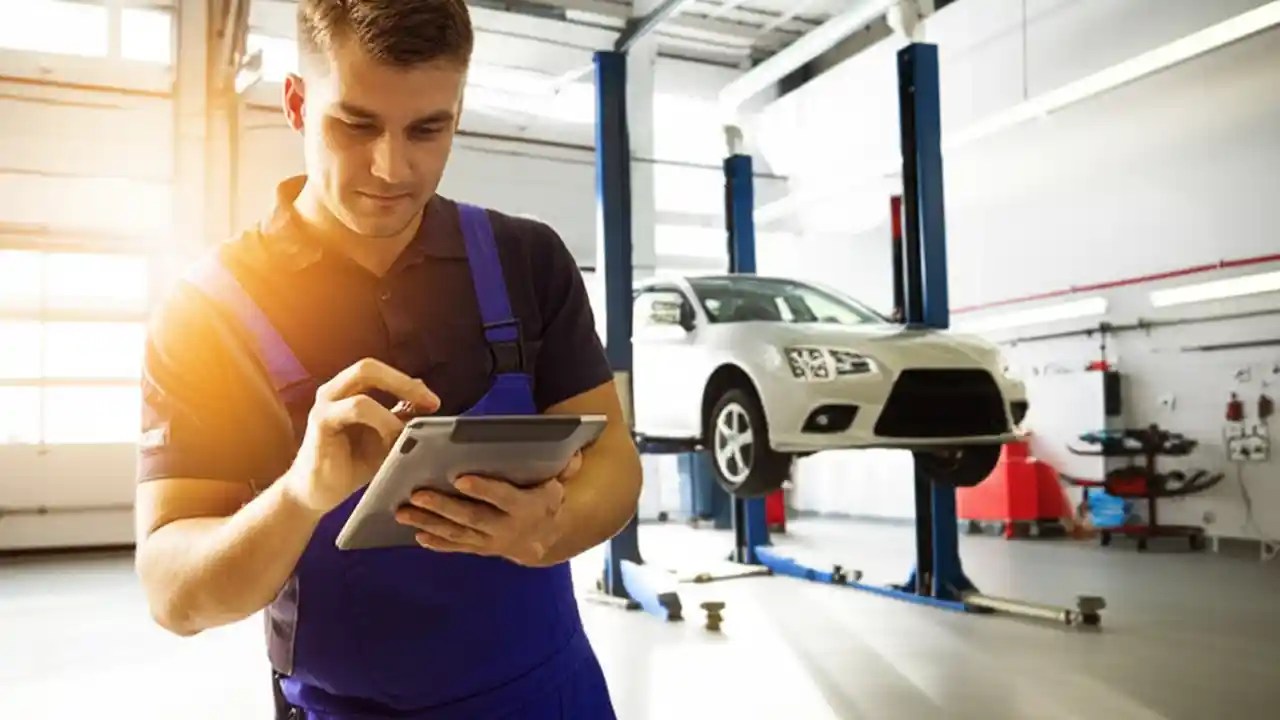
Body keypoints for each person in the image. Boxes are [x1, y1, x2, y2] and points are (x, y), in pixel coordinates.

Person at [132, 1, 642, 718]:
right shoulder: (206, 313)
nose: (391, 168)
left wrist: (544, 531)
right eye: (356, 124)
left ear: (457, 113)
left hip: (548, 696)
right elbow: (173, 596)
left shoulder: (529, 262)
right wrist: (299, 495)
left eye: (427, 129)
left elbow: (615, 462)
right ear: (297, 103)